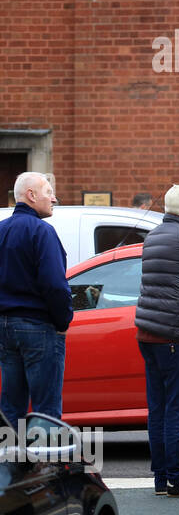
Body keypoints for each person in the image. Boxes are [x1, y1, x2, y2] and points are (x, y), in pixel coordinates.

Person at [135, 183, 179, 498]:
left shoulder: (151, 237)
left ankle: (161, 478)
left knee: (158, 409)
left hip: (148, 334)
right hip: (175, 336)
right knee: (177, 409)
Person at [0, 173, 72, 428]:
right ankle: (45, 465)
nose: (54, 198)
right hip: (38, 326)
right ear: (31, 195)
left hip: (5, 327)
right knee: (46, 409)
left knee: (11, 405)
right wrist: (64, 319)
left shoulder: (2, 230)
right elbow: (54, 284)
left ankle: (10, 465)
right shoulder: (43, 231)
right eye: (49, 192)